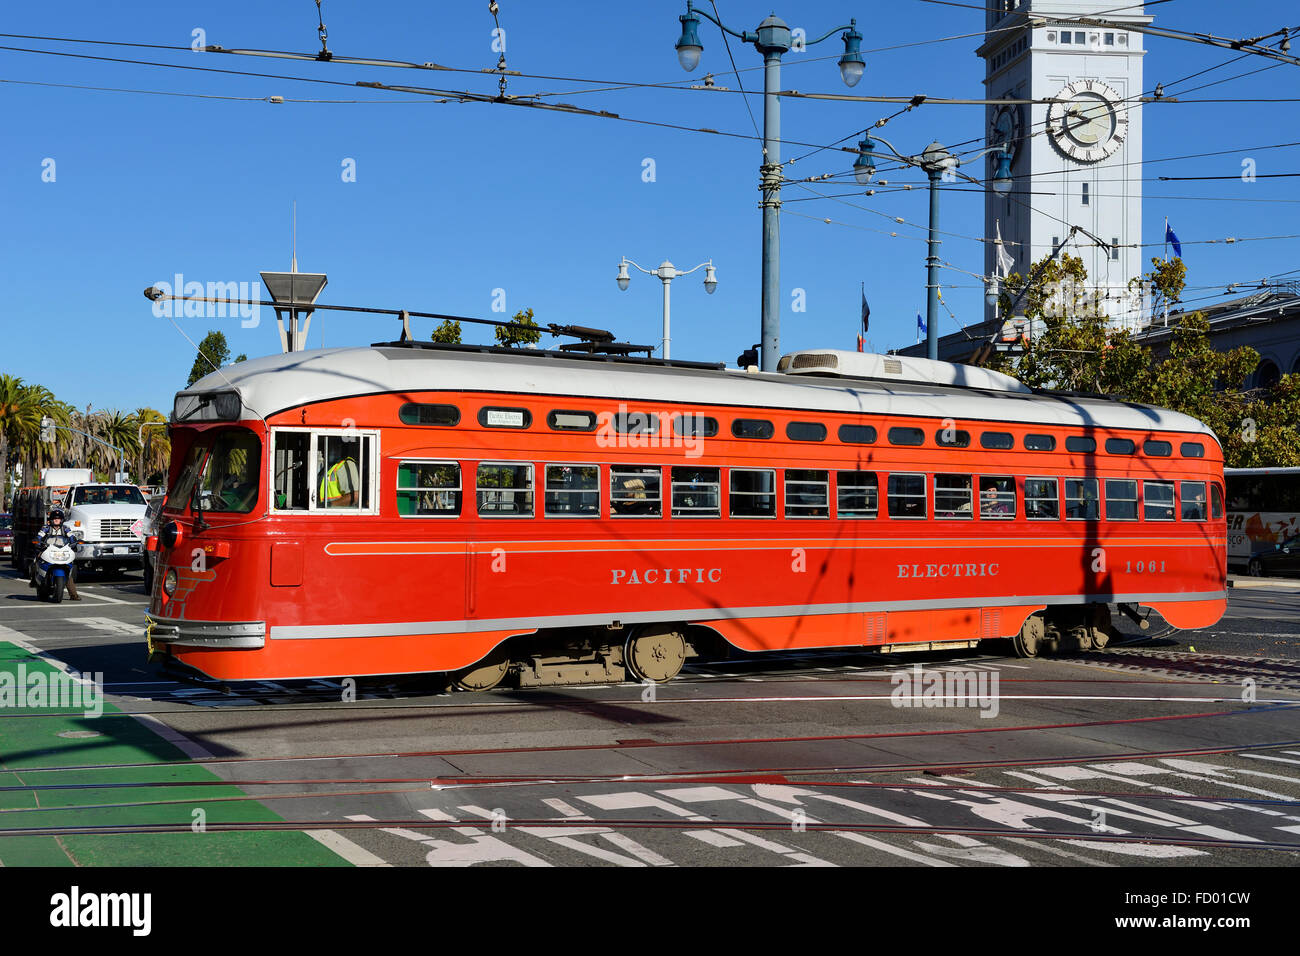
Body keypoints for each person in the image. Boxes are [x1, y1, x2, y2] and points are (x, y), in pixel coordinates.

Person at [29, 508, 80, 600]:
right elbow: (39, 536)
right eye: (54, 519)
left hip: (63, 552)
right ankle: (34, 580)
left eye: (59, 519)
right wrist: (38, 541)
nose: (56, 520)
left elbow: (72, 537)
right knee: (36, 560)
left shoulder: (66, 529)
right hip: (48, 550)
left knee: (68, 570)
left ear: (62, 520)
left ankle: (73, 594)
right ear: (51, 520)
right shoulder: (46, 528)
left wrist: (74, 542)